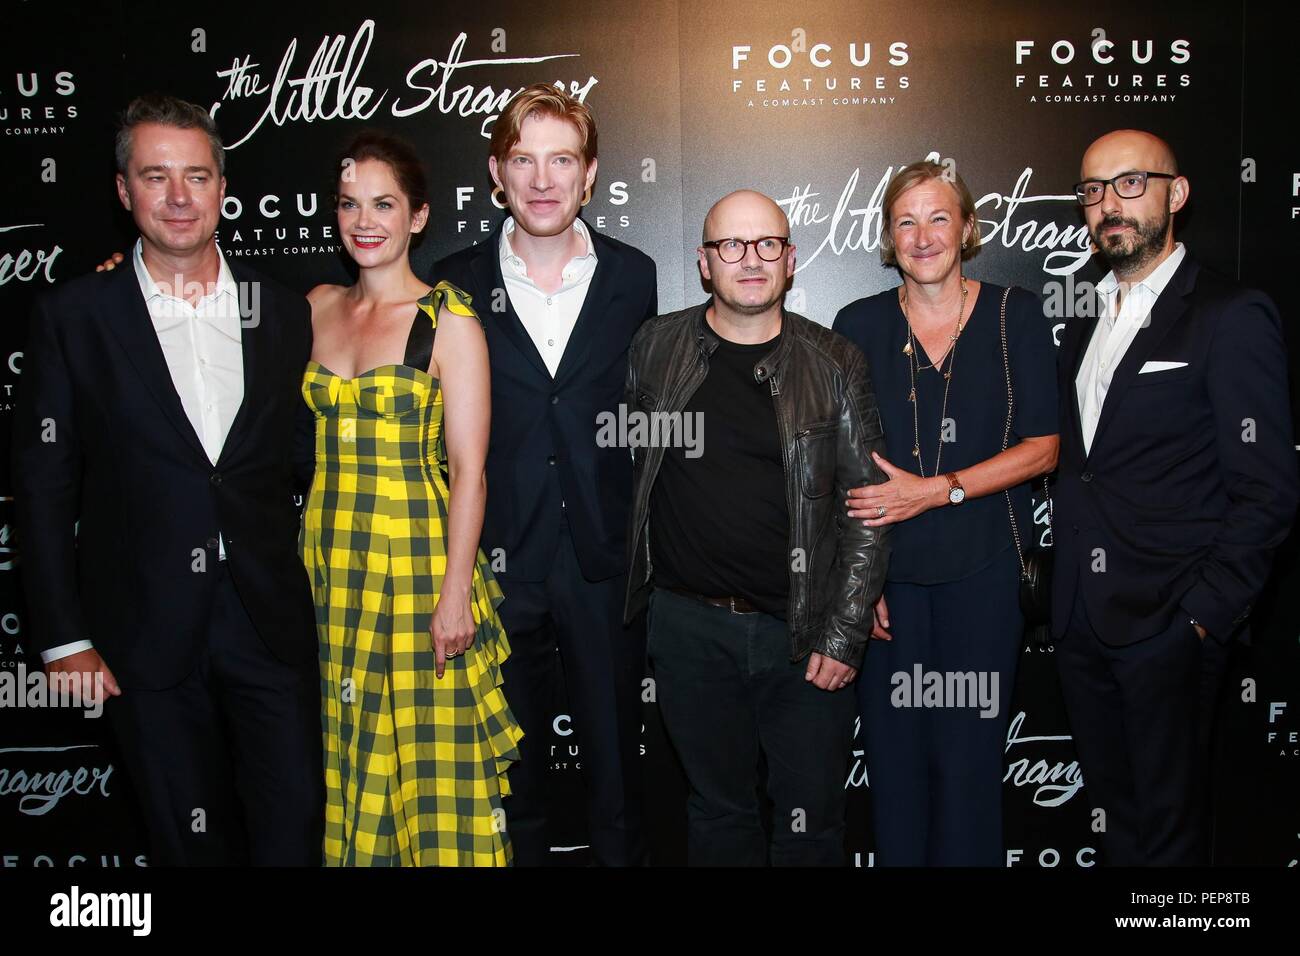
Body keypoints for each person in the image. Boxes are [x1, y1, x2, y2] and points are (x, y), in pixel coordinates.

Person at [11, 94, 323, 865]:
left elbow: (307, 458)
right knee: (185, 846)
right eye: (156, 177)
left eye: (196, 176)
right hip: (139, 630)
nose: (179, 198)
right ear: (124, 191)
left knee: (294, 834)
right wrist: (62, 641)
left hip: (268, 622)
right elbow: (42, 486)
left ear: (223, 187)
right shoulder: (75, 315)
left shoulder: (282, 312)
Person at [1053, 130, 1297, 865]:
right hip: (1081, 620)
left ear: (1175, 193)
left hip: (1170, 624)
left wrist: (1201, 619)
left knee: (1170, 840)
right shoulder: (1082, 319)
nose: (1108, 205)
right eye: (1093, 191)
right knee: (1117, 825)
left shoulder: (1229, 312)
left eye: (1129, 184)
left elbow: (1269, 489)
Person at [625, 189, 889, 866]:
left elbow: (868, 505)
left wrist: (845, 630)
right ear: (705, 262)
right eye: (730, 246)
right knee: (718, 817)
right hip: (689, 632)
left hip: (802, 637)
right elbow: (629, 468)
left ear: (791, 258)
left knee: (810, 828)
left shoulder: (835, 362)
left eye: (767, 244)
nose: (750, 259)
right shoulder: (657, 347)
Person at [432, 84, 656, 866]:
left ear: (590, 175)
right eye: (523, 159)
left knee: (616, 777)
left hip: (604, 559)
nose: (542, 179)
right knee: (508, 779)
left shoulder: (637, 277)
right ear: (497, 173)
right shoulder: (450, 282)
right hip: (496, 565)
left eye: (562, 159)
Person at [302, 130, 522, 866]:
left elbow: (470, 470)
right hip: (331, 571)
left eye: (384, 204)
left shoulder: (449, 320)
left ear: (417, 217)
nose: (365, 221)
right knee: (351, 758)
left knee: (436, 778)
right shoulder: (313, 307)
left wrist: (456, 592)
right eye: (349, 204)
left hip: (420, 567)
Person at [833, 160, 1059, 866]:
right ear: (887, 237)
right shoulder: (859, 324)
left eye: (937, 217)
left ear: (966, 229)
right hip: (890, 589)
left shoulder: (1013, 315)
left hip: (985, 581)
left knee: (968, 774)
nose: (922, 235)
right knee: (895, 777)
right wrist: (856, 585)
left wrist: (939, 488)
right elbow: (841, 467)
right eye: (905, 221)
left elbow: (1045, 450)